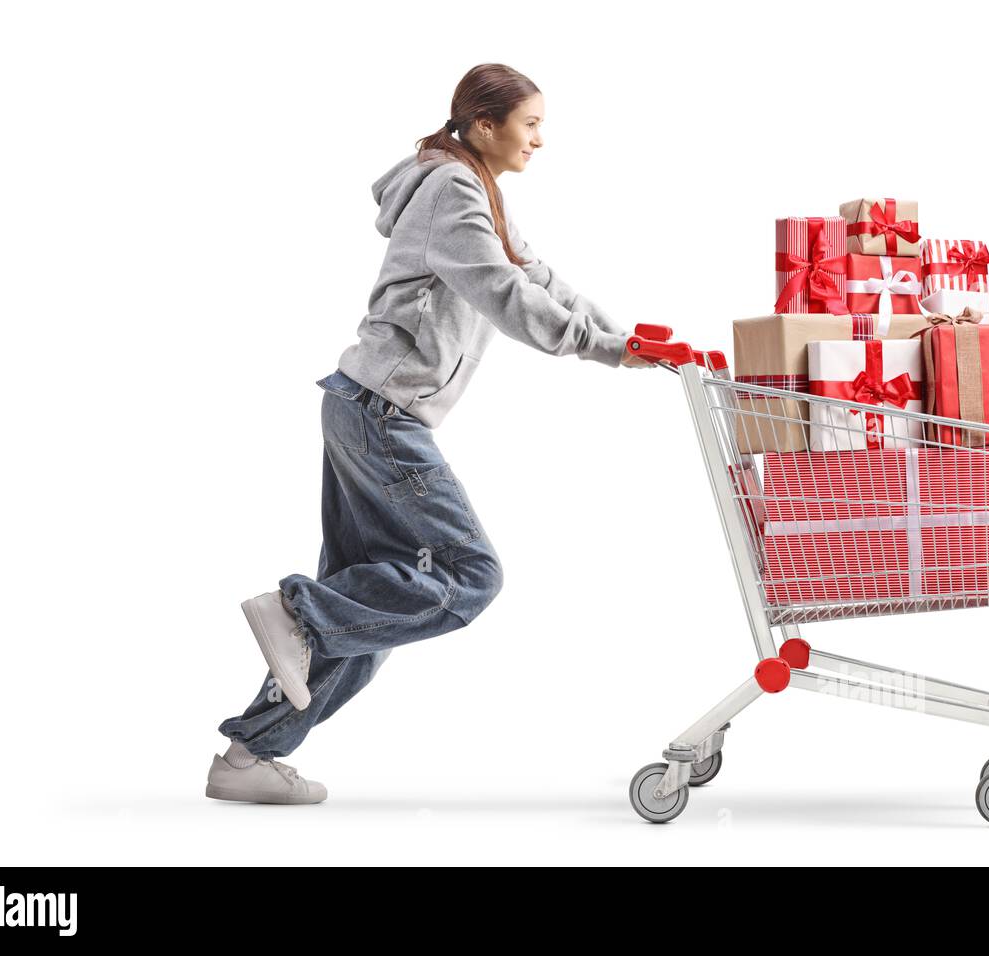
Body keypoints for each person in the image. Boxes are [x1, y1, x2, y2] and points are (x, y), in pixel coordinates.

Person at [206, 63, 654, 805]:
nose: (540, 139)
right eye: (531, 124)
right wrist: (603, 349)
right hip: (382, 413)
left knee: (372, 612)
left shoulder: (475, 187)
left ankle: (248, 754)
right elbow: (504, 293)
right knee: (470, 577)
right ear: (485, 124)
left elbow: (535, 274)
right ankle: (298, 613)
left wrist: (626, 337)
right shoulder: (452, 190)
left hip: (366, 407)